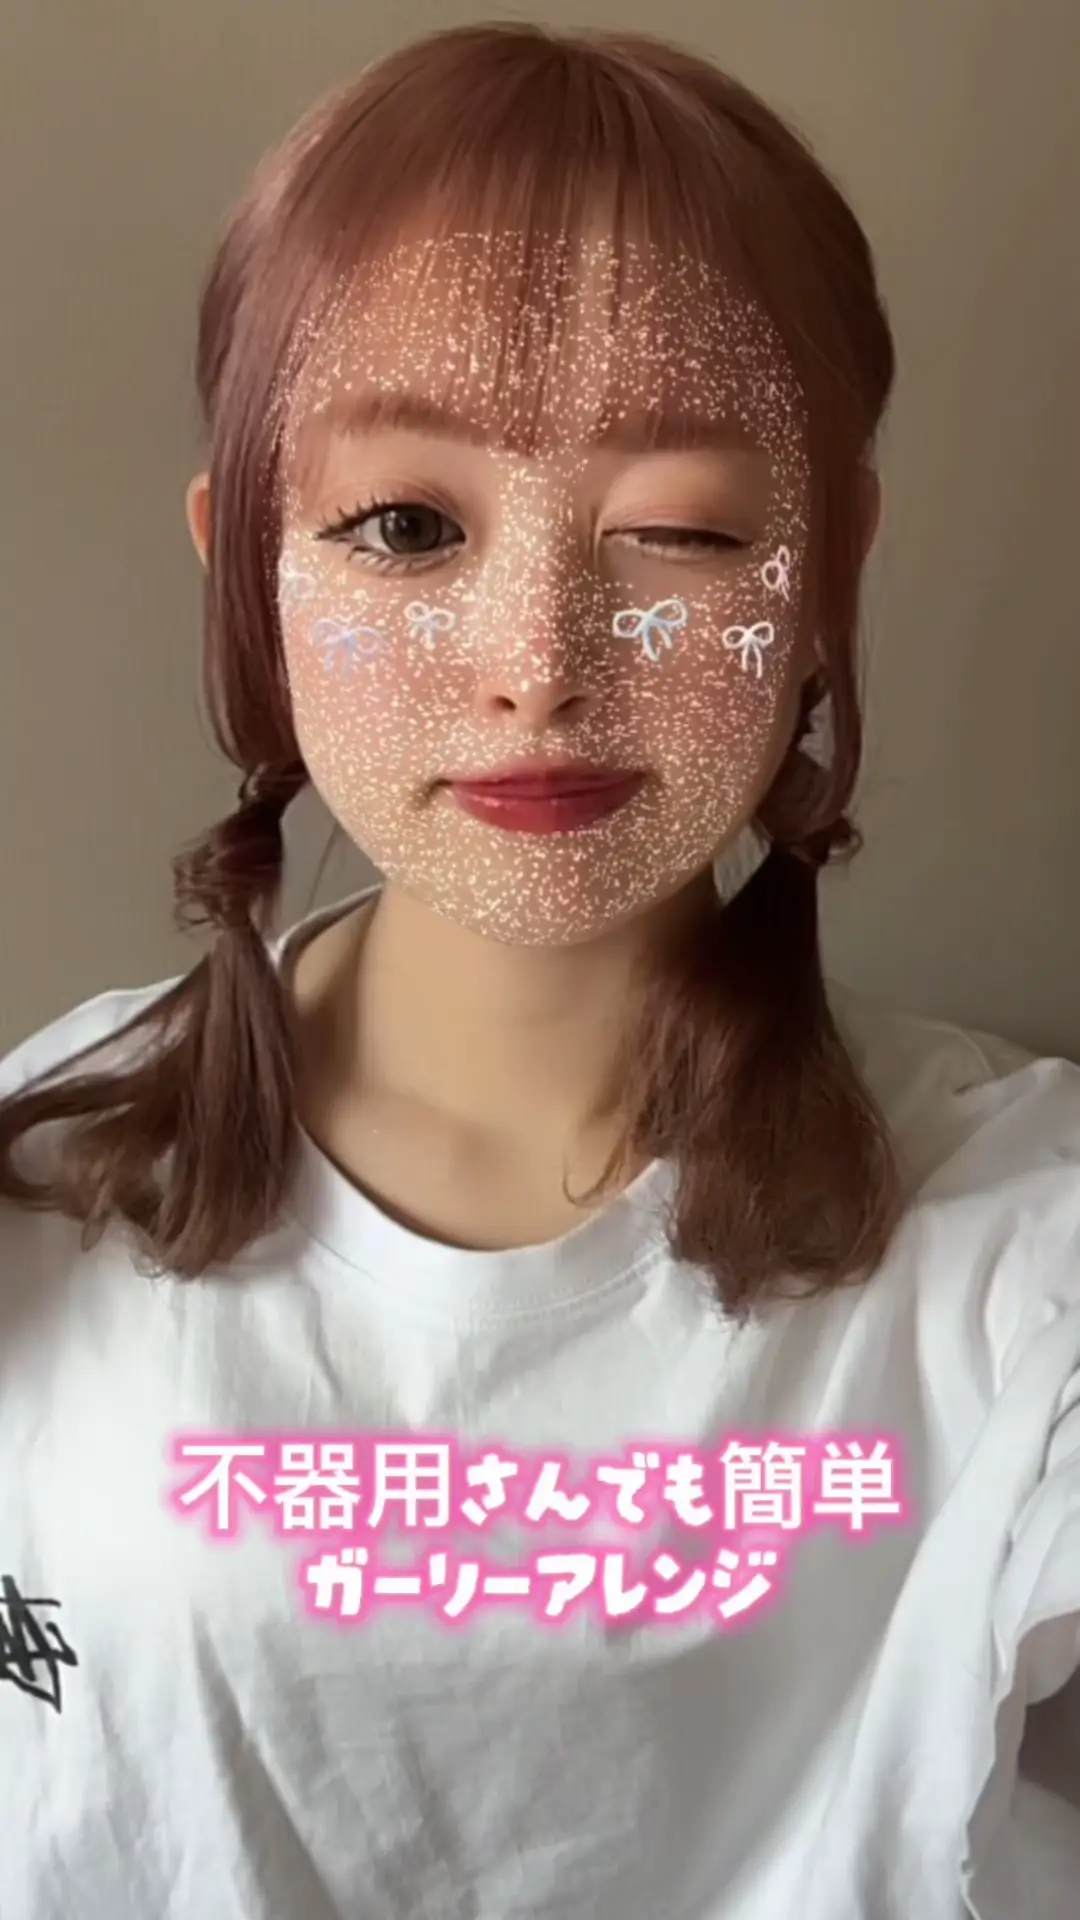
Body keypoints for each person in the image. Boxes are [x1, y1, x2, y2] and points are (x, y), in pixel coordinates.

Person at [0, 20, 1076, 1919]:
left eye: (682, 530)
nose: (539, 663)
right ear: (250, 565)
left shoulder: (1020, 1247)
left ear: (829, 568)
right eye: (405, 527)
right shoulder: (39, 1182)